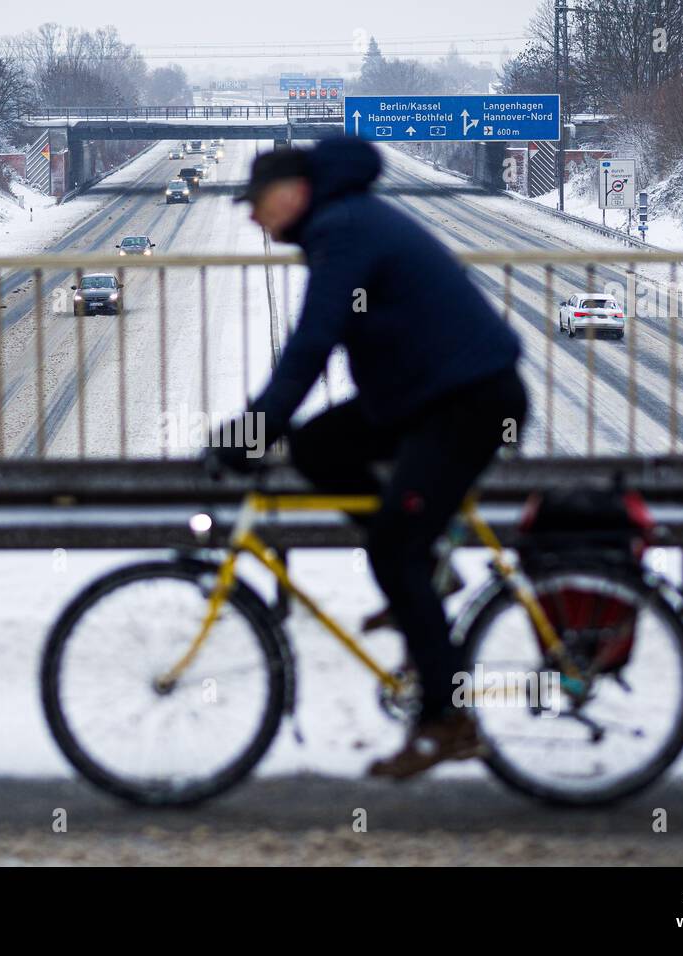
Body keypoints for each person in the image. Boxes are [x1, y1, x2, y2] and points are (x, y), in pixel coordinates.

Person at [209, 137, 528, 779]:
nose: (251, 216)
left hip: (469, 404)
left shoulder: (343, 229)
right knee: (318, 445)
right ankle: (430, 571)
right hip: (424, 398)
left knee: (394, 550)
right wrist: (271, 428)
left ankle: (447, 721)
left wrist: (254, 429)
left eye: (258, 202)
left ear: (294, 193)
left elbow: (312, 343)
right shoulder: (341, 222)